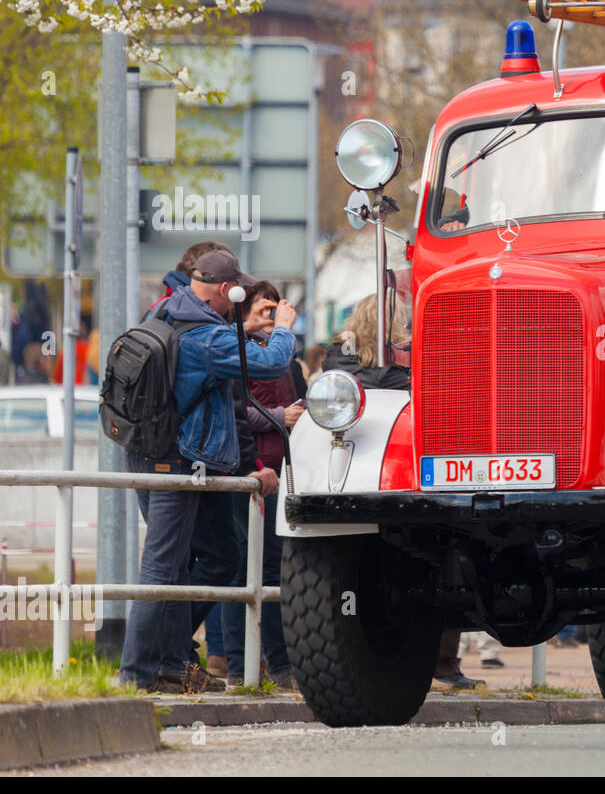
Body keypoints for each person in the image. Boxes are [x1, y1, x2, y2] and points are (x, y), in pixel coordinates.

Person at [118, 250, 295, 694]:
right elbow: (272, 363)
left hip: (150, 451)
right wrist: (285, 329)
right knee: (162, 567)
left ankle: (170, 659)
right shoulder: (206, 337)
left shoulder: (161, 310)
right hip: (177, 458)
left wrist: (244, 328)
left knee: (219, 557)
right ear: (225, 291)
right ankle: (137, 676)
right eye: (237, 293)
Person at [326, 293, 483, 689]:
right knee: (445, 558)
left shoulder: (337, 362)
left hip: (356, 476)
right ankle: (445, 664)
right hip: (414, 468)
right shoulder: (414, 361)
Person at [219, 281, 303, 690]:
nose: (273, 317)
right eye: (264, 309)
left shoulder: (284, 357)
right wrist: (279, 415)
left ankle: (269, 662)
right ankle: (243, 666)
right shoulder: (241, 352)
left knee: (271, 569)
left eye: (276, 309)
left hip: (279, 473)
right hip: (249, 471)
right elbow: (235, 410)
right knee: (243, 570)